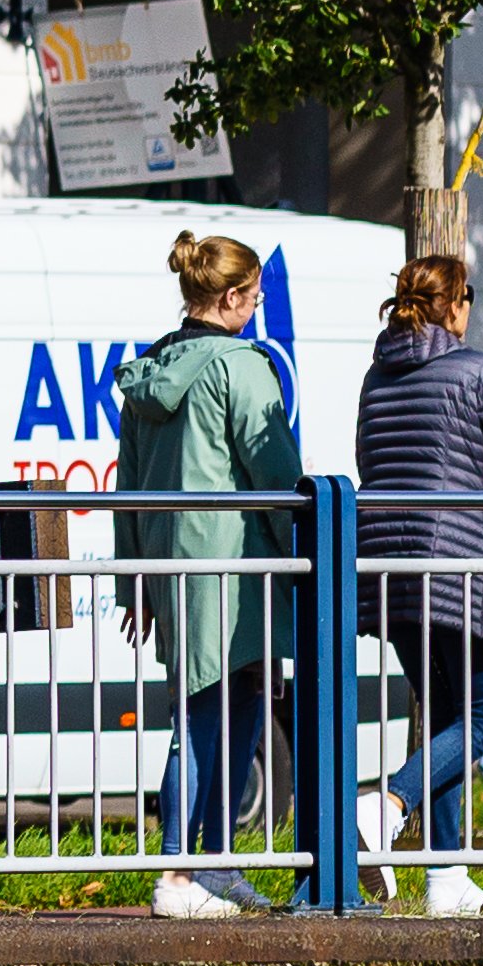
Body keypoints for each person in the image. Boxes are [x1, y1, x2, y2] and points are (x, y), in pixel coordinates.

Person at [356, 247, 483, 916]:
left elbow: (369, 460)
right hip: (464, 566)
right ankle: (388, 804)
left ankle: (446, 875)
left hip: (391, 565)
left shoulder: (375, 377)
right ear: (455, 305)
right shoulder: (476, 371)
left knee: (445, 715)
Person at [114, 228, 303, 914]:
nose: (255, 309)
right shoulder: (240, 366)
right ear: (228, 297)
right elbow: (276, 471)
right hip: (238, 563)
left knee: (212, 706)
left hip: (171, 562)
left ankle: (213, 865)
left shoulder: (147, 373)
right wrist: (304, 549)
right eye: (252, 297)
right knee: (215, 715)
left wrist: (133, 577)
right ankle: (180, 874)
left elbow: (125, 485)